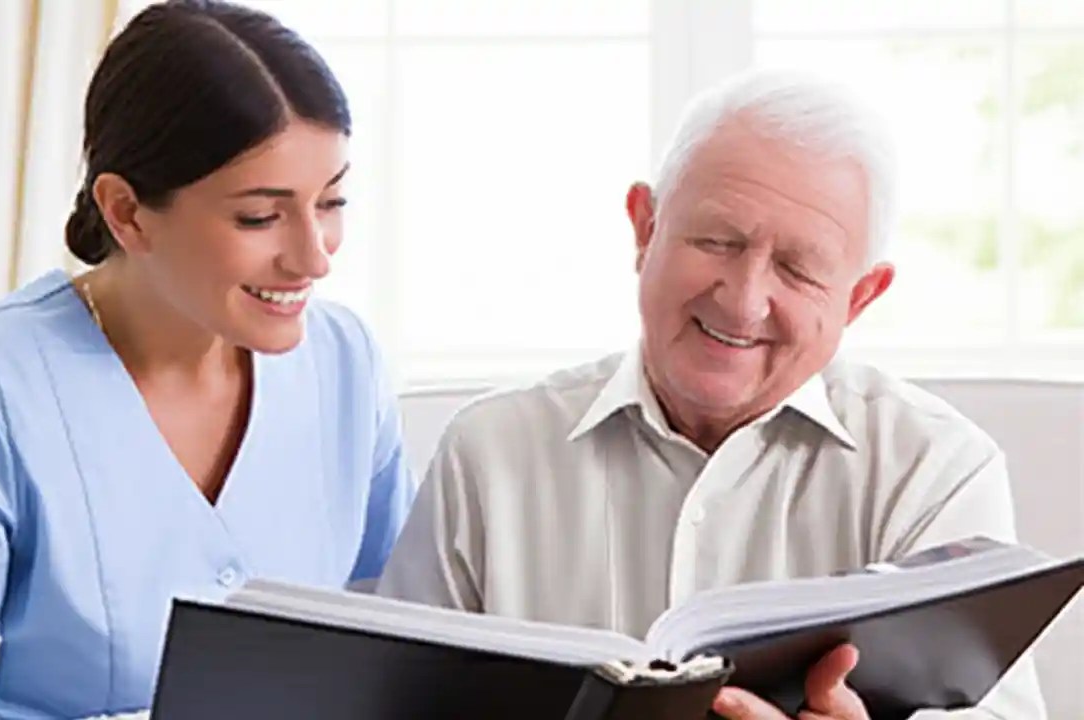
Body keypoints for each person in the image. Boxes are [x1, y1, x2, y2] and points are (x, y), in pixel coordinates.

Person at [377, 69, 1045, 720]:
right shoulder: (490, 451)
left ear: (860, 298)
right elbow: (386, 702)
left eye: (798, 269)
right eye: (718, 241)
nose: (744, 301)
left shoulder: (934, 468)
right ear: (644, 229)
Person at [0, 2, 414, 717]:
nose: (314, 257)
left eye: (332, 201)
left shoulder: (345, 365)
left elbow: (398, 665)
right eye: (260, 217)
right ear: (127, 211)